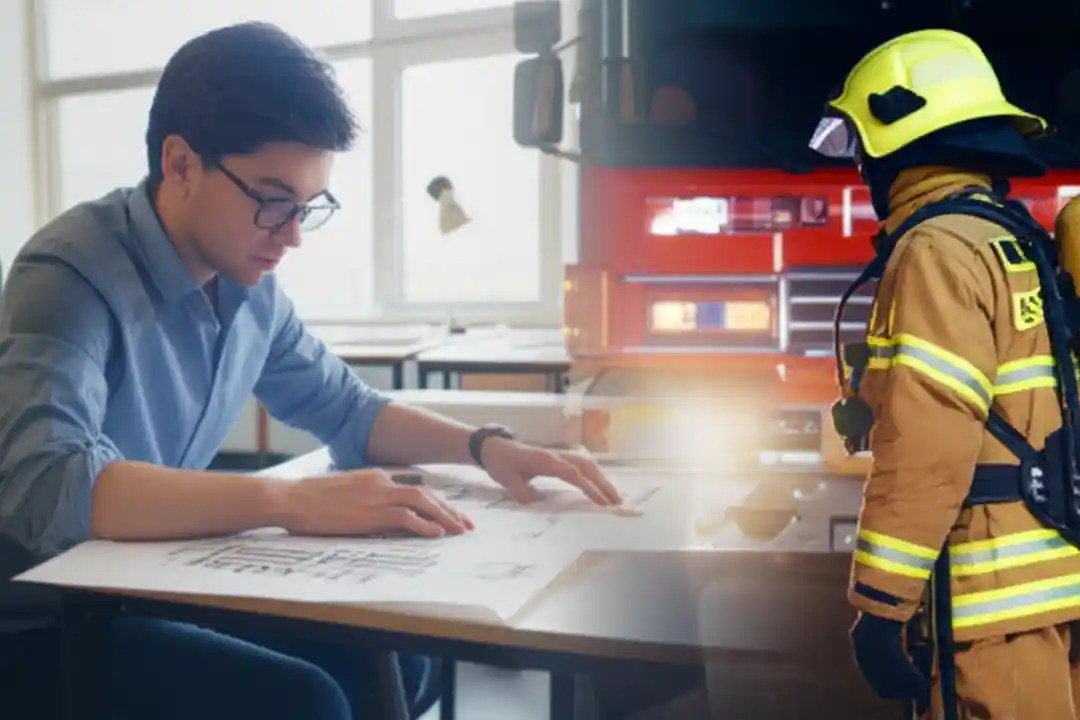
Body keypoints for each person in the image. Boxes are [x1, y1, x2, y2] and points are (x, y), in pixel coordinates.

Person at [0, 22, 622, 720]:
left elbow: (351, 412)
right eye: (272, 199)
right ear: (180, 164)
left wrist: (487, 448)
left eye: (308, 205)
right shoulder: (69, 275)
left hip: (144, 589)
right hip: (43, 623)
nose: (292, 234)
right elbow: (51, 490)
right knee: (304, 702)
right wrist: (290, 503)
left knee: (397, 651)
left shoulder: (249, 289)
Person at [810, 30, 1080, 719]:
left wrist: (881, 603)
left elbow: (928, 440)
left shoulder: (934, 251)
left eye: (866, 149)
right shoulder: (1013, 237)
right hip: (1073, 574)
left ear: (899, 145)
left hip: (994, 599)